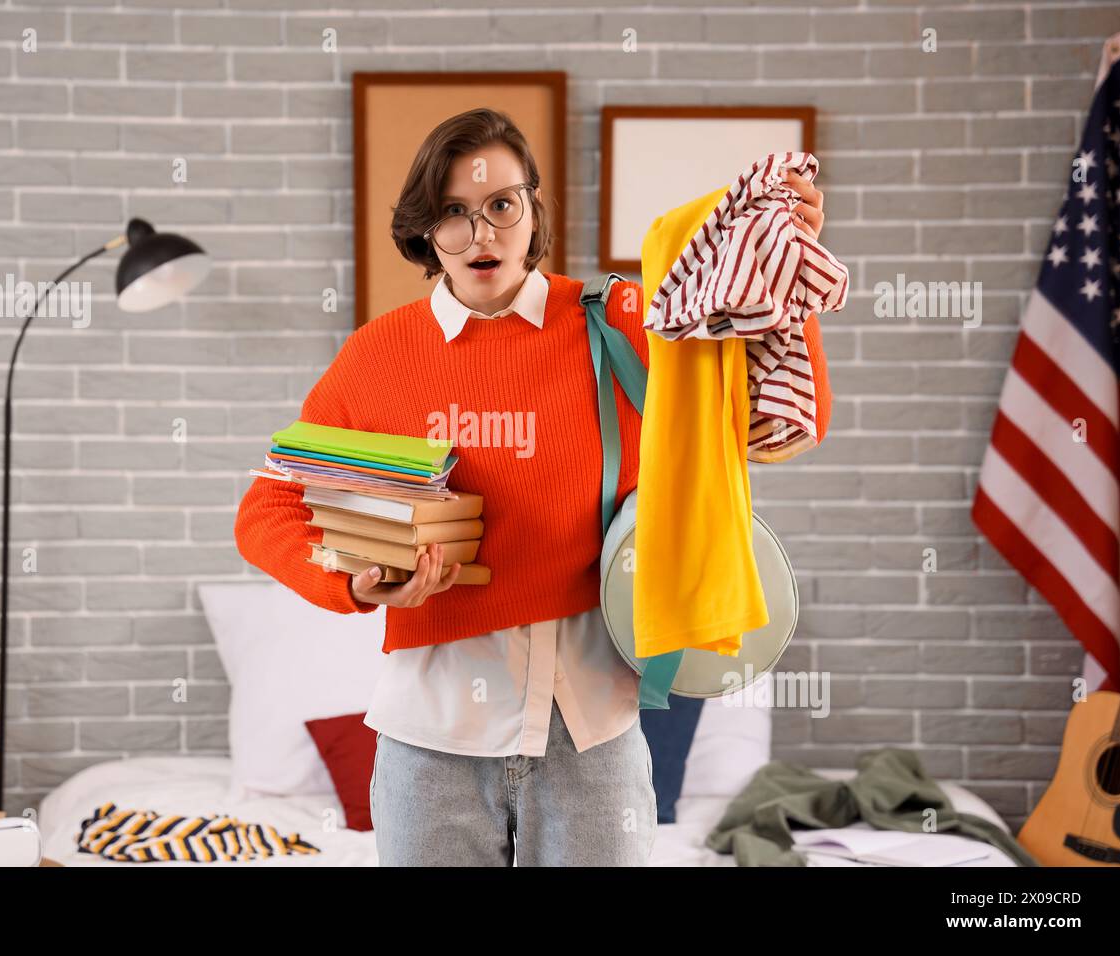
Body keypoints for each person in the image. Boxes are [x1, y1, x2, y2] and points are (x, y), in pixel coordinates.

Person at [235, 107, 825, 866]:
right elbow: (268, 507)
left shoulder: (619, 324)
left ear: (532, 209)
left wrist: (789, 265)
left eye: (500, 206)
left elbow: (770, 424)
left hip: (595, 742)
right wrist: (353, 582)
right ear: (424, 231)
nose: (481, 234)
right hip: (429, 748)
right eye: (453, 213)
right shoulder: (378, 356)